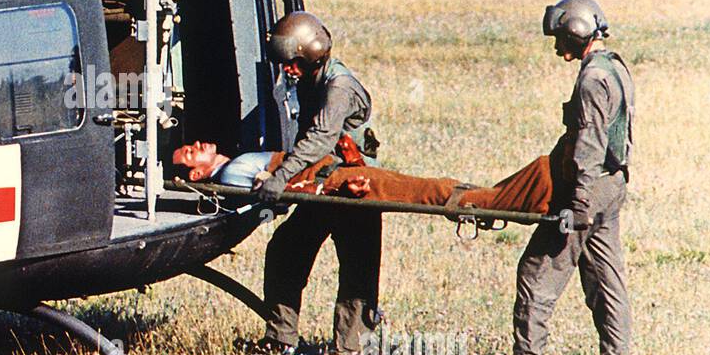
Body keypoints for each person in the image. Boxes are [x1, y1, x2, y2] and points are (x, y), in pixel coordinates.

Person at [242, 11, 382, 355]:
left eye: (292, 63)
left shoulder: (339, 87)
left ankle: (350, 351)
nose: (287, 71)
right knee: (286, 251)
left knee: (357, 270)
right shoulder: (310, 80)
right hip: (324, 185)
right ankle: (280, 340)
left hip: (355, 188)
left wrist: (280, 177)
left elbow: (319, 139)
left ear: (311, 56)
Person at [513, 0, 635, 355]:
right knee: (605, 277)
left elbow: (589, 145)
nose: (558, 49)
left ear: (576, 33)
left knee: (536, 273)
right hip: (613, 184)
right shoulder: (616, 67)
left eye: (560, 39)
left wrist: (577, 206)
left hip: (587, 189)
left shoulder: (592, 80)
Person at [172, 141, 555, 216]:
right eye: (191, 153)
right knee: (427, 191)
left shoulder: (236, 160)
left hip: (340, 171)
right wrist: (340, 185)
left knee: (429, 187)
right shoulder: (234, 172)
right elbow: (281, 192)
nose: (197, 144)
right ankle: (527, 192)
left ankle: (519, 191)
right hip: (339, 181)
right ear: (197, 173)